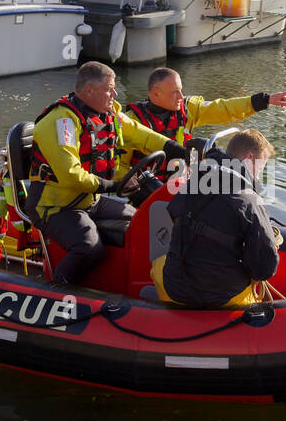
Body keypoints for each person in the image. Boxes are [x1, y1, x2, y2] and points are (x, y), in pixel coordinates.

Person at [28, 61, 202, 285]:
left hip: (89, 200)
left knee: (139, 219)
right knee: (88, 247)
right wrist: (114, 185)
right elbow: (71, 175)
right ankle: (58, 289)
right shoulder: (61, 122)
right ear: (89, 90)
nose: (115, 93)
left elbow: (143, 135)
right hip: (56, 206)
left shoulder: (109, 114)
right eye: (109, 89)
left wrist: (177, 150)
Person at [122, 68, 286, 203]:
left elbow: (222, 108)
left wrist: (263, 100)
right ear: (155, 94)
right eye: (174, 92)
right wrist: (133, 187)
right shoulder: (132, 121)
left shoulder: (188, 109)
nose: (181, 96)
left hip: (183, 185)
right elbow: (119, 164)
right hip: (146, 192)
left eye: (181, 90)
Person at [150, 129, 280, 309]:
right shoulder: (251, 201)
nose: (258, 176)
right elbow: (264, 270)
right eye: (261, 167)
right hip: (219, 299)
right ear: (249, 159)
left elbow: (174, 213)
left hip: (173, 289)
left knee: (158, 264)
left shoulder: (194, 182)